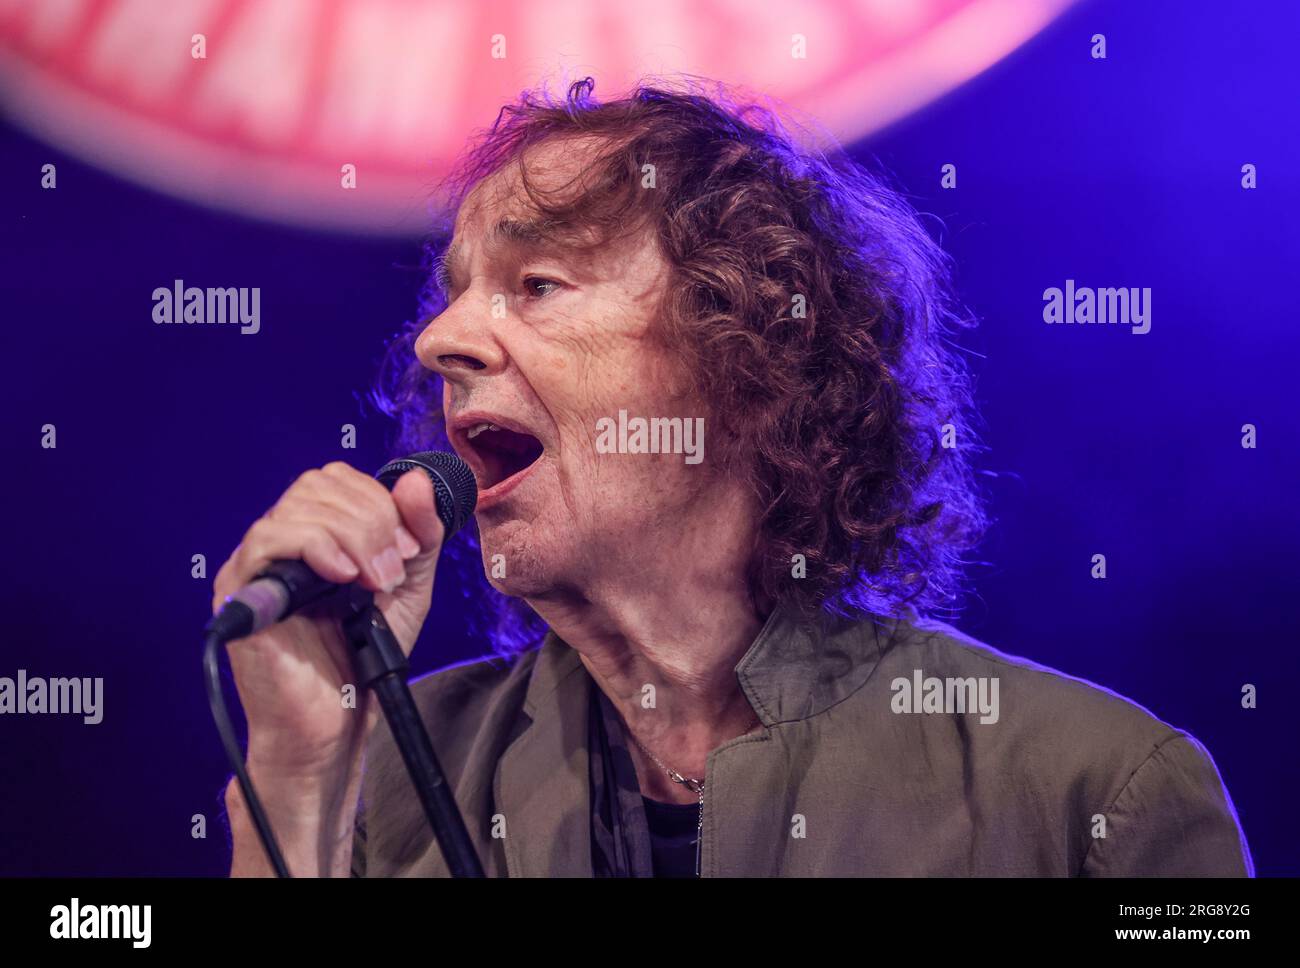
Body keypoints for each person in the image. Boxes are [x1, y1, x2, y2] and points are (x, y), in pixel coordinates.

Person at [217, 79, 1252, 877]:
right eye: (452, 296)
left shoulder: (1097, 789)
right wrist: (300, 773)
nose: (441, 339)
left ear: (744, 356)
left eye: (536, 284)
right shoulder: (384, 770)